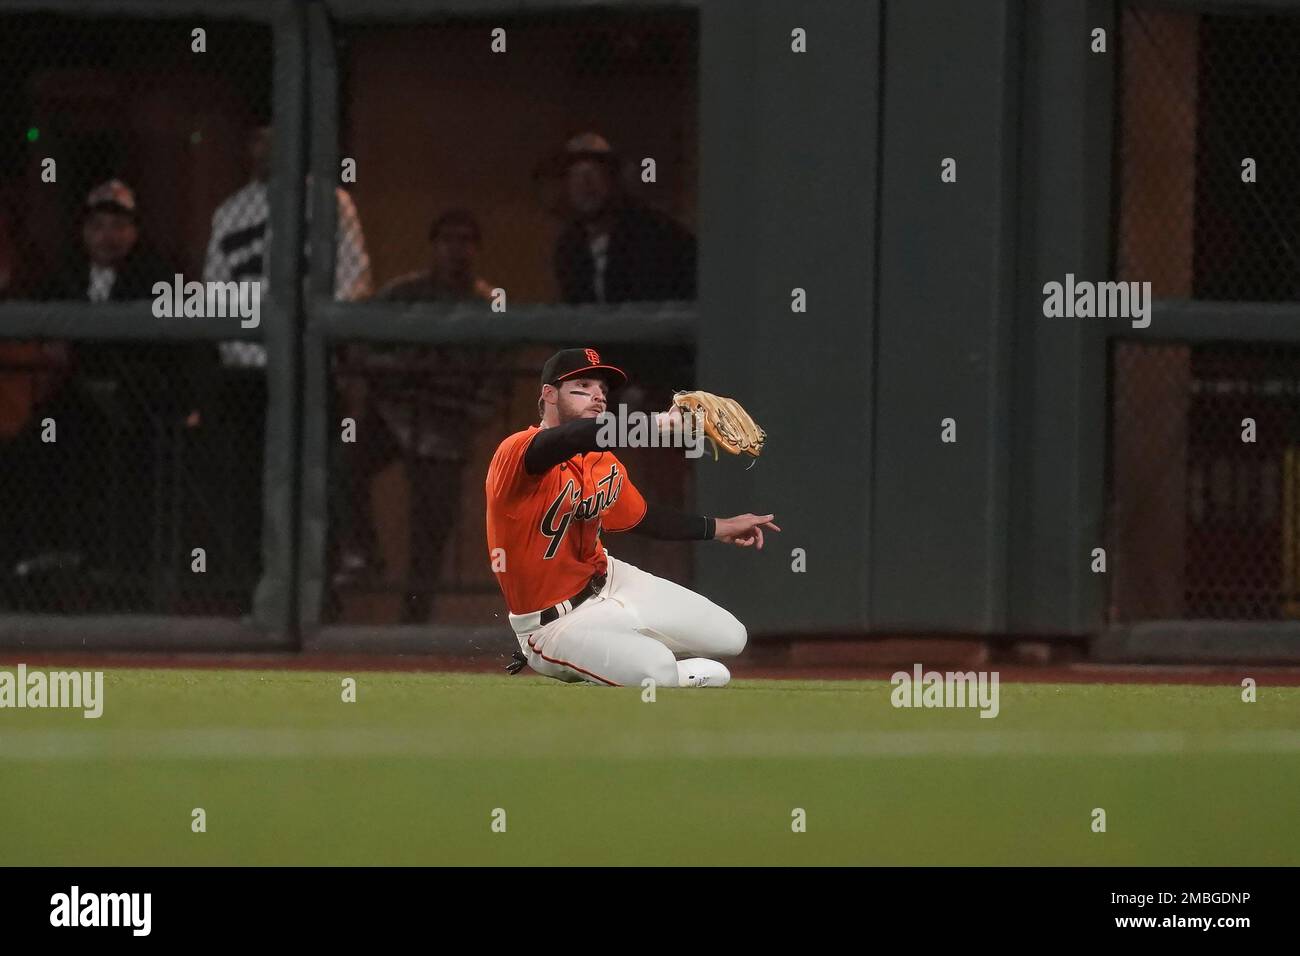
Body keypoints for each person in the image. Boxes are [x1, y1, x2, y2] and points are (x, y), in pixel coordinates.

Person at [485, 347, 779, 687]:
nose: (597, 396)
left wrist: (719, 527)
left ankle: (619, 650)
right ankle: (613, 659)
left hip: (611, 582)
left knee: (732, 637)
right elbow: (573, 437)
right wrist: (662, 424)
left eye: (603, 390)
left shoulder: (601, 461)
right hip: (553, 624)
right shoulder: (518, 452)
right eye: (582, 386)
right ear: (549, 394)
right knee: (657, 673)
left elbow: (643, 518)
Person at [335, 210, 507, 620]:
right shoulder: (403, 293)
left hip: (446, 427)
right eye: (446, 240)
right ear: (433, 246)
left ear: (476, 249)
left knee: (429, 532)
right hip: (395, 413)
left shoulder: (489, 303)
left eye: (465, 240)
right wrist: (391, 369)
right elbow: (359, 344)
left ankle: (414, 626)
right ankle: (362, 554)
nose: (455, 249)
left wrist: (470, 416)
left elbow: (498, 382)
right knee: (344, 463)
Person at [203, 121, 373, 366]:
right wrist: (250, 355)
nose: (266, 148)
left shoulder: (330, 201)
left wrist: (314, 338)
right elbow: (216, 292)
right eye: (260, 139)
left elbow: (354, 281)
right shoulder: (229, 213)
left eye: (274, 138)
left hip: (313, 356)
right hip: (247, 364)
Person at [545, 132, 696, 304]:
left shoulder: (658, 235)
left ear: (616, 180)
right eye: (575, 176)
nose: (586, 184)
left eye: (597, 172)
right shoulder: (570, 246)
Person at [43, 180, 171, 301]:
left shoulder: (155, 281)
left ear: (135, 233)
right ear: (83, 231)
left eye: (118, 226)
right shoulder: (62, 278)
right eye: (97, 226)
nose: (107, 236)